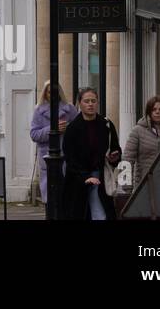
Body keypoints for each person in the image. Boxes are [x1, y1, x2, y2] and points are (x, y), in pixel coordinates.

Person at [61, 87, 121, 221]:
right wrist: (85, 177)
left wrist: (114, 157)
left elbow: (115, 148)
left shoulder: (106, 125)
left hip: (101, 179)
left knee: (101, 213)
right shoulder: (72, 128)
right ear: (79, 103)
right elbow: (70, 158)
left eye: (93, 101)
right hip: (77, 181)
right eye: (86, 101)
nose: (90, 104)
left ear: (98, 103)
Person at [29, 80, 77, 205]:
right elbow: (34, 135)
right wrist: (52, 129)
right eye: (50, 92)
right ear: (45, 94)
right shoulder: (39, 111)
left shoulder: (70, 109)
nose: (53, 95)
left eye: (56, 92)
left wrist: (68, 128)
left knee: (67, 197)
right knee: (51, 199)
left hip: (68, 156)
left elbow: (78, 129)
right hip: (48, 157)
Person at [123, 95, 160, 190]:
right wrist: (126, 187)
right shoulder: (137, 131)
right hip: (144, 186)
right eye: (154, 109)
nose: (157, 112)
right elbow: (127, 159)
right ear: (149, 112)